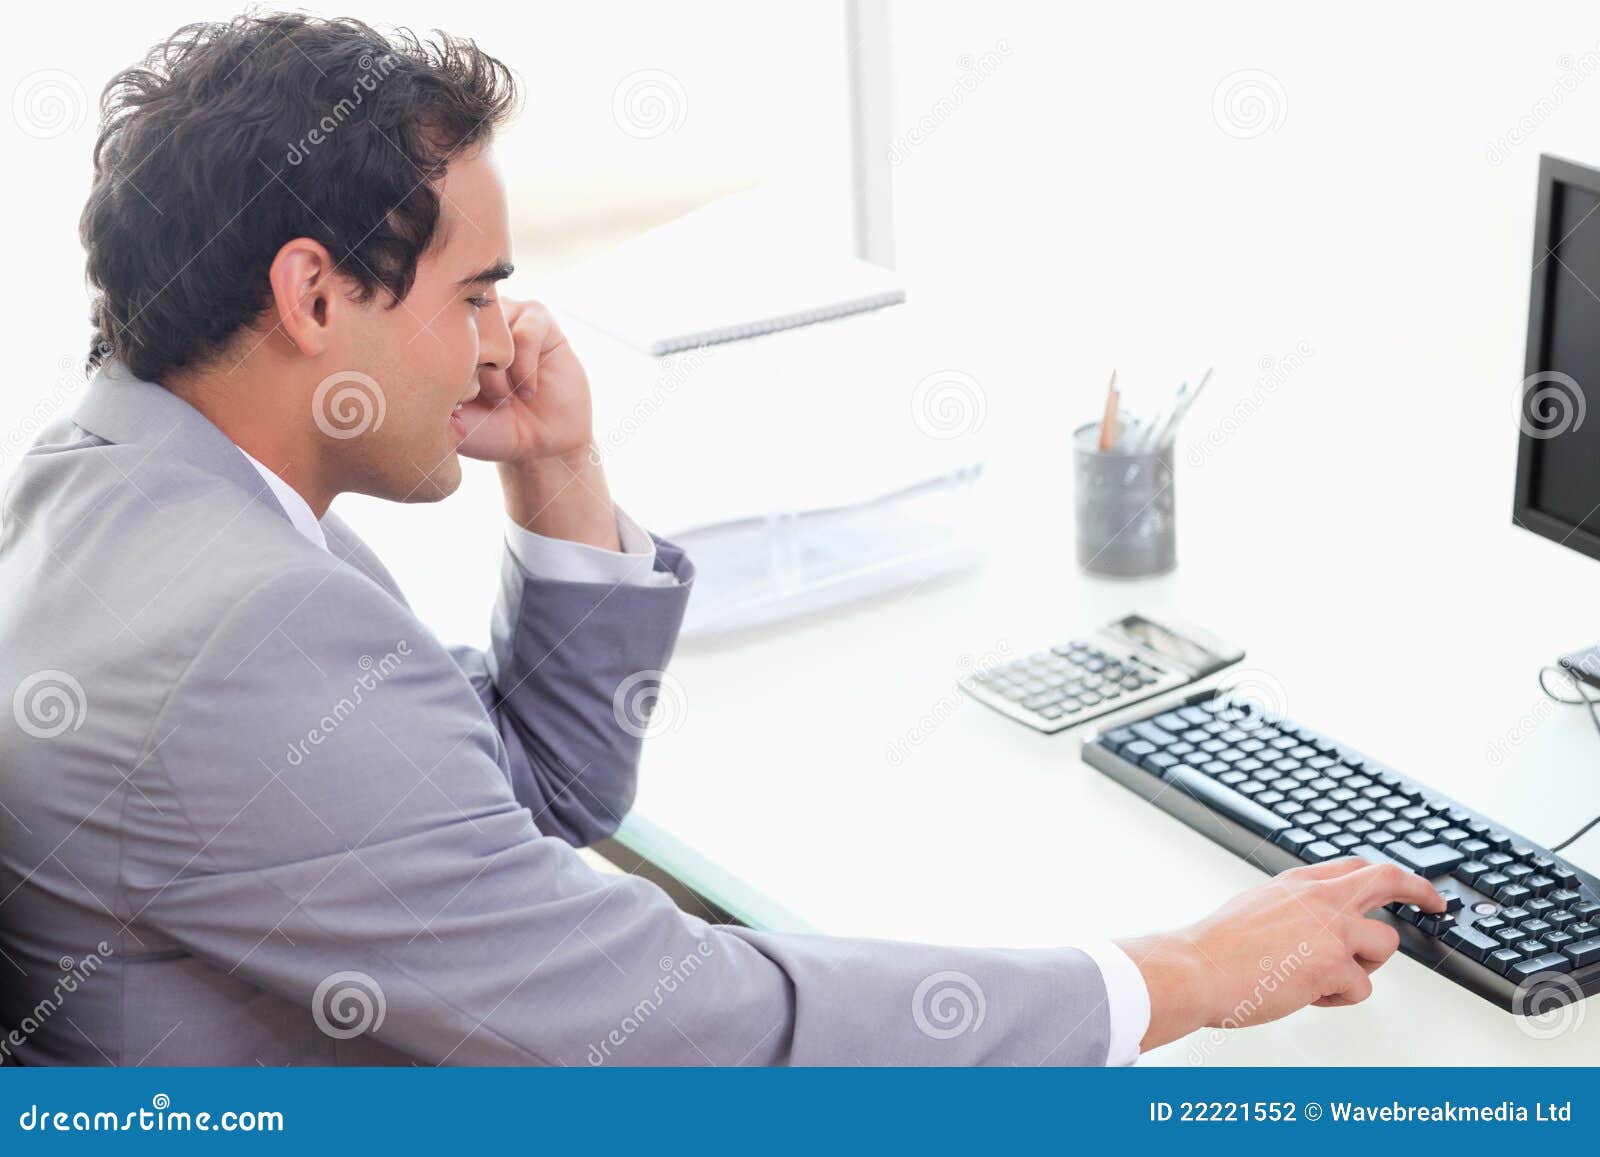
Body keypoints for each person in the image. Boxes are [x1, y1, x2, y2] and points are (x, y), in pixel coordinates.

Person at [0, 13, 1441, 1066]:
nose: (504, 341)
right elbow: (685, 1025)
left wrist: (559, 468)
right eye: (479, 293)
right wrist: (1182, 970)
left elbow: (521, 802)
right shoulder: (255, 632)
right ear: (314, 298)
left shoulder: (115, 477)